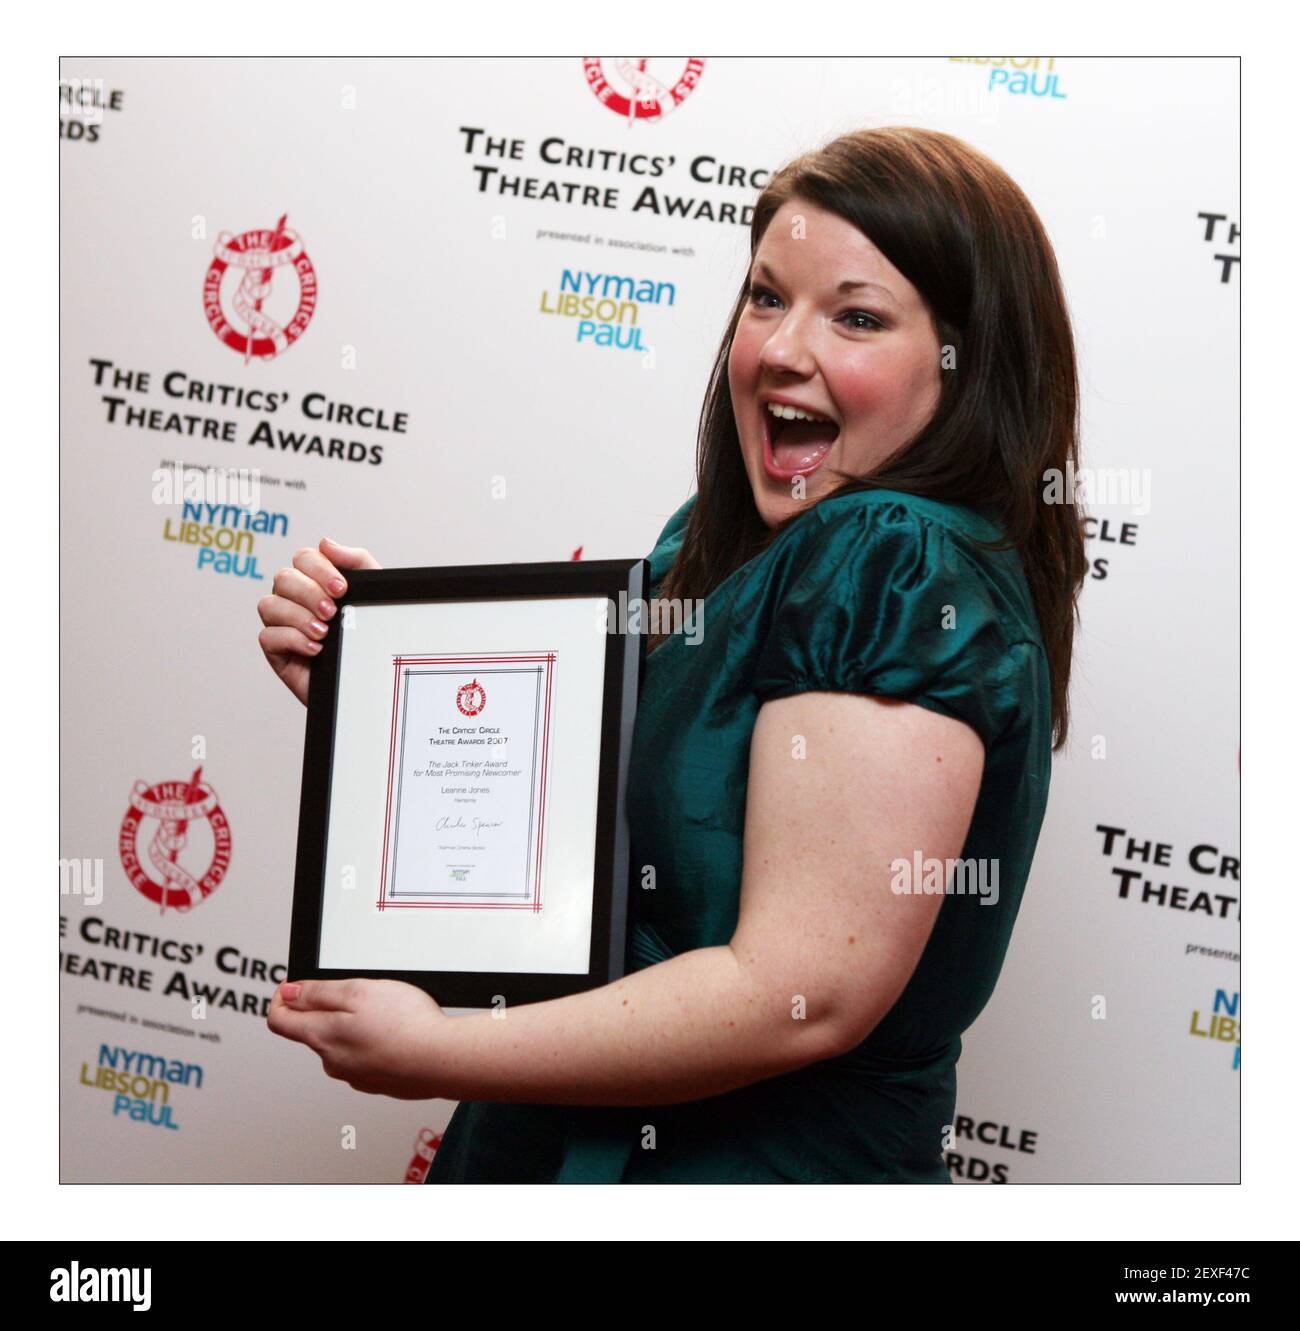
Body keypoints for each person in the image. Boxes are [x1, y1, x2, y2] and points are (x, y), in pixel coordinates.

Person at [258, 125, 1087, 1183]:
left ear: (967, 366)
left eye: (858, 316)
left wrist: (433, 1048)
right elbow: (605, 837)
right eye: (765, 295)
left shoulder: (892, 558)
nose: (784, 348)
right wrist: (371, 700)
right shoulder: (722, 537)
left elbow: (798, 993)